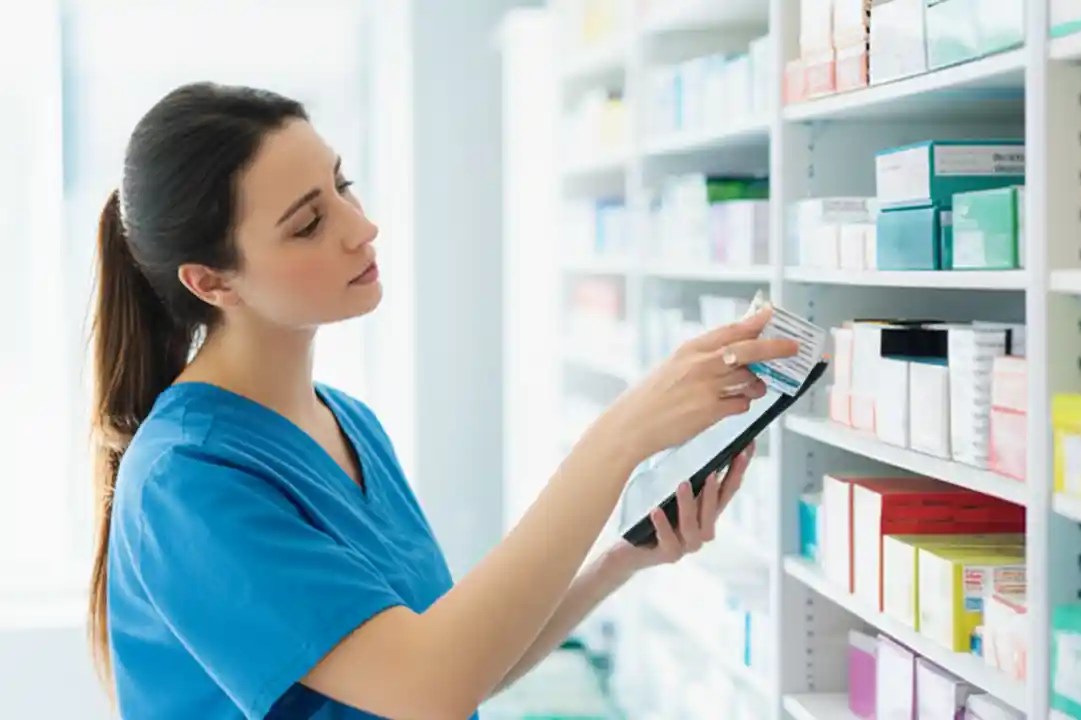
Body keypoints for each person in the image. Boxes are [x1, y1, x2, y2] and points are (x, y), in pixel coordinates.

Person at [91, 82, 798, 720]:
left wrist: (618, 559)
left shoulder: (345, 422)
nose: (360, 227)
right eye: (309, 223)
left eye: (344, 186)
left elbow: (458, 662)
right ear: (212, 283)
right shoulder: (187, 481)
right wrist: (619, 438)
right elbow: (428, 686)